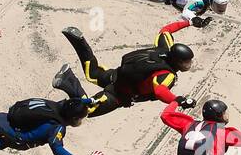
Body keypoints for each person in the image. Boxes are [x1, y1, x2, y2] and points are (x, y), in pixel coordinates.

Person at [55, 23, 195, 118]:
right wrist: (178, 100)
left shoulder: (164, 48)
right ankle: (68, 80)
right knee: (85, 111)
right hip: (117, 95)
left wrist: (188, 22)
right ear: (177, 61)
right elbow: (160, 91)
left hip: (117, 76)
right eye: (186, 62)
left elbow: (166, 30)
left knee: (93, 74)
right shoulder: (167, 74)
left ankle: (79, 42)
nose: (188, 65)